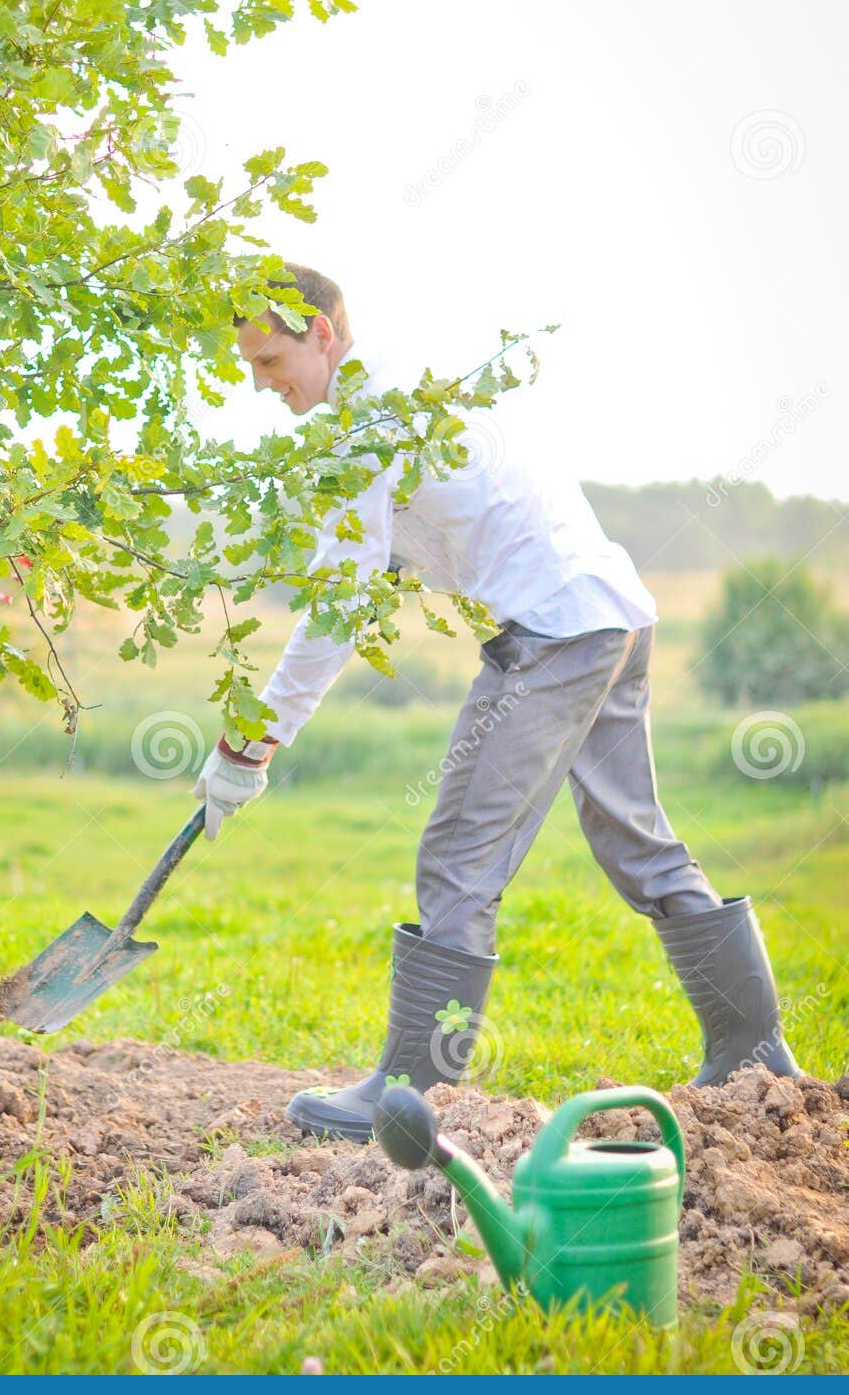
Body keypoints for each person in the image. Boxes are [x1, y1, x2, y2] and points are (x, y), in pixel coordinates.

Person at [192, 264, 800, 1142]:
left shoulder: (367, 424)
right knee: (635, 838)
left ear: (321, 333)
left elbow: (338, 601)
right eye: (249, 366)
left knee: (460, 852)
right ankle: (753, 1050)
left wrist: (252, 742)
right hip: (609, 614)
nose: (262, 382)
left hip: (555, 631)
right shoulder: (416, 389)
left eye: (270, 359)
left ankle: (410, 1091)